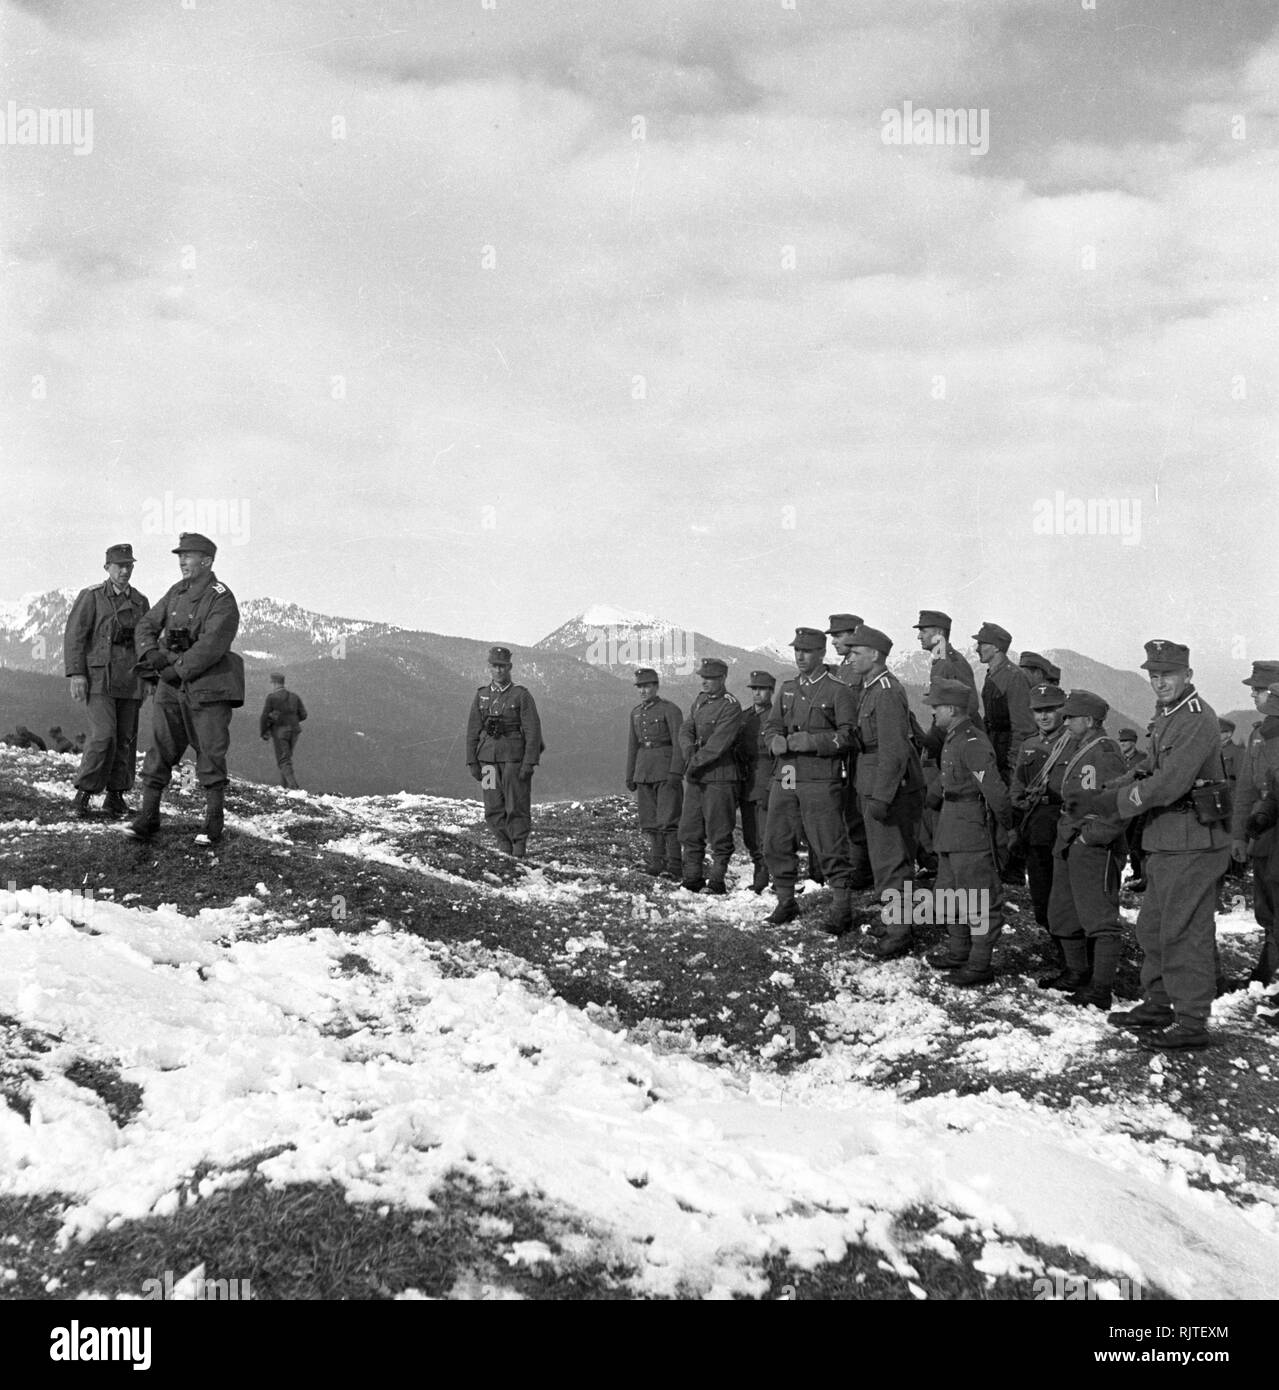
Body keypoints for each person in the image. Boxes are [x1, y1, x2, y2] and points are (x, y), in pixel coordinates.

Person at [1069, 640, 1230, 1050]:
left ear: (1187, 675)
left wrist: (1114, 803)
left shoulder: (1196, 718)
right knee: (1153, 928)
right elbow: (1148, 767)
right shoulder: (1169, 715)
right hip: (1168, 839)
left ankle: (1191, 1021)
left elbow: (1169, 783)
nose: (1159, 683)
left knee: (1184, 932)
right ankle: (1159, 1004)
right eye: (1154, 676)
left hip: (1193, 841)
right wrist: (1109, 789)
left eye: (1167, 675)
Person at [126, 533, 244, 846]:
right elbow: (146, 625)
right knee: (160, 749)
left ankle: (213, 823)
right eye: (180, 556)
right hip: (170, 685)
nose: (182, 561)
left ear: (207, 561)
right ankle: (148, 817)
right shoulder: (176, 592)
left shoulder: (221, 598)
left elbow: (212, 645)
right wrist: (151, 653)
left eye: (188, 556)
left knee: (210, 752)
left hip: (207, 688)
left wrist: (176, 669)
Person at [762, 628, 858, 933]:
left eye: (806, 651)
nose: (800, 656)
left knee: (828, 840)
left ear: (821, 653)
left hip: (820, 775)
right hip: (788, 773)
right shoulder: (788, 688)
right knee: (777, 837)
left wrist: (813, 741)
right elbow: (771, 726)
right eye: (797, 651)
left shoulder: (838, 690)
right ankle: (786, 901)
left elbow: (848, 736)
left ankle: (841, 908)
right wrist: (774, 741)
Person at [921, 677, 1013, 985]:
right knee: (947, 894)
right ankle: (959, 952)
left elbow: (994, 790)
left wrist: (1006, 826)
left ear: (951, 709)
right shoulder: (954, 737)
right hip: (951, 828)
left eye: (936, 706)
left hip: (971, 832)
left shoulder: (973, 742)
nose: (932, 711)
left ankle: (979, 964)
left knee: (978, 898)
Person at [842, 625, 926, 957]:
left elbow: (894, 751)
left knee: (893, 861)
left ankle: (900, 932)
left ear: (875, 655)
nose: (850, 658)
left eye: (856, 652)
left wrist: (882, 795)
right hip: (873, 782)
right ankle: (893, 919)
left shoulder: (887, 691)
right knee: (883, 858)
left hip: (888, 788)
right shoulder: (871, 687)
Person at [1047, 691, 1129, 1010]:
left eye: (1071, 717)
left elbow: (1119, 803)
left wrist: (1092, 837)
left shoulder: (1106, 751)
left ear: (1090, 720)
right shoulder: (1078, 746)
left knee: (1099, 917)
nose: (1065, 721)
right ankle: (1076, 972)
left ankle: (1100, 988)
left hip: (1093, 843)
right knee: (1064, 911)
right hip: (1070, 837)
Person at [63, 544, 151, 820]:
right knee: (103, 736)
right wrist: (77, 674)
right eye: (119, 566)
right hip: (100, 678)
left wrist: (149, 677)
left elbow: (146, 642)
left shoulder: (140, 601)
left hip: (131, 679)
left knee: (125, 739)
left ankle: (115, 796)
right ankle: (84, 793)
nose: (124, 571)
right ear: (107, 568)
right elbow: (75, 636)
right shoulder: (92, 597)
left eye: (129, 565)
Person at [1010, 683, 1071, 978]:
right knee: (1042, 897)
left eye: (1050, 710)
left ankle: (1074, 962)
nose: (1044, 717)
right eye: (1038, 711)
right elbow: (1018, 783)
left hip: (1063, 825)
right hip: (1036, 827)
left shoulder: (1074, 743)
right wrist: (1017, 801)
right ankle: (1062, 954)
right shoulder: (1029, 745)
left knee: (1066, 899)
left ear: (1063, 711)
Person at [466, 645, 543, 858]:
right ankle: (503, 845)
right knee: (492, 804)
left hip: (513, 760)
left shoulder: (521, 695)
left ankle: (518, 847)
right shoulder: (482, 695)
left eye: (503, 666)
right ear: (489, 667)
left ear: (510, 667)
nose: (499, 670)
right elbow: (473, 730)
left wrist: (529, 762)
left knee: (516, 803)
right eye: (495, 666)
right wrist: (472, 761)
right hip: (487, 761)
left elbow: (533, 731)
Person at [677, 657, 743, 893]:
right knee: (690, 828)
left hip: (719, 775)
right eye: (703, 677)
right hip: (697, 776)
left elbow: (718, 744)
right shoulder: (700, 701)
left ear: (723, 678)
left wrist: (693, 762)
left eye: (710, 678)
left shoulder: (730, 706)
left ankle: (716, 882)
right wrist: (688, 750)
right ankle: (692, 878)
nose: (704, 682)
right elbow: (686, 728)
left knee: (719, 831)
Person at [1231, 662, 1279, 985]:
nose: (1253, 695)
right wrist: (1238, 836)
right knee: (1266, 907)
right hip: (1262, 832)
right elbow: (1246, 790)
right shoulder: (1258, 734)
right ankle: (1268, 968)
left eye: (1259, 690)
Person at [826, 612, 872, 889]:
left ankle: (863, 870)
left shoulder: (860, 669)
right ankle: (859, 868)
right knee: (850, 810)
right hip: (847, 748)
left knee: (859, 810)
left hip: (861, 747)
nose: (833, 641)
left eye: (838, 635)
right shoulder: (844, 669)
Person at [623, 667, 684, 878]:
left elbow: (679, 743)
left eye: (647, 686)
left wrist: (676, 771)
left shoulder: (670, 710)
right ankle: (657, 862)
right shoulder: (636, 713)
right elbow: (633, 745)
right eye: (639, 687)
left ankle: (675, 864)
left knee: (669, 819)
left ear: (656, 687)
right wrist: (630, 774)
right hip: (644, 771)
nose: (643, 691)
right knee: (649, 820)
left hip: (665, 770)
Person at [738, 671, 776, 893]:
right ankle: (759, 875)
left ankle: (771, 878)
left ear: (771, 691)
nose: (757, 693)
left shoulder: (777, 717)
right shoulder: (744, 717)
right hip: (747, 781)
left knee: (767, 834)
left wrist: (787, 788)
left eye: (762, 689)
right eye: (754, 689)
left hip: (768, 779)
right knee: (750, 834)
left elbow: (785, 758)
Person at [259, 672, 308, 789]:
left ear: (274, 683)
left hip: (280, 731)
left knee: (283, 760)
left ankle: (293, 787)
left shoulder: (272, 697)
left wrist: (264, 731)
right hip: (295, 731)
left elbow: (264, 716)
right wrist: (293, 721)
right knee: (286, 758)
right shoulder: (294, 697)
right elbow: (303, 715)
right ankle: (284, 786)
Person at [1117, 727, 1148, 889]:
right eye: (1121, 741)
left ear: (1133, 742)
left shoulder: (1142, 758)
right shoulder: (1119, 758)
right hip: (1123, 804)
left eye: (1125, 741)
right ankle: (1135, 874)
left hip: (1138, 805)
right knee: (1127, 841)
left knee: (1137, 843)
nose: (1122, 744)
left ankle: (1140, 875)